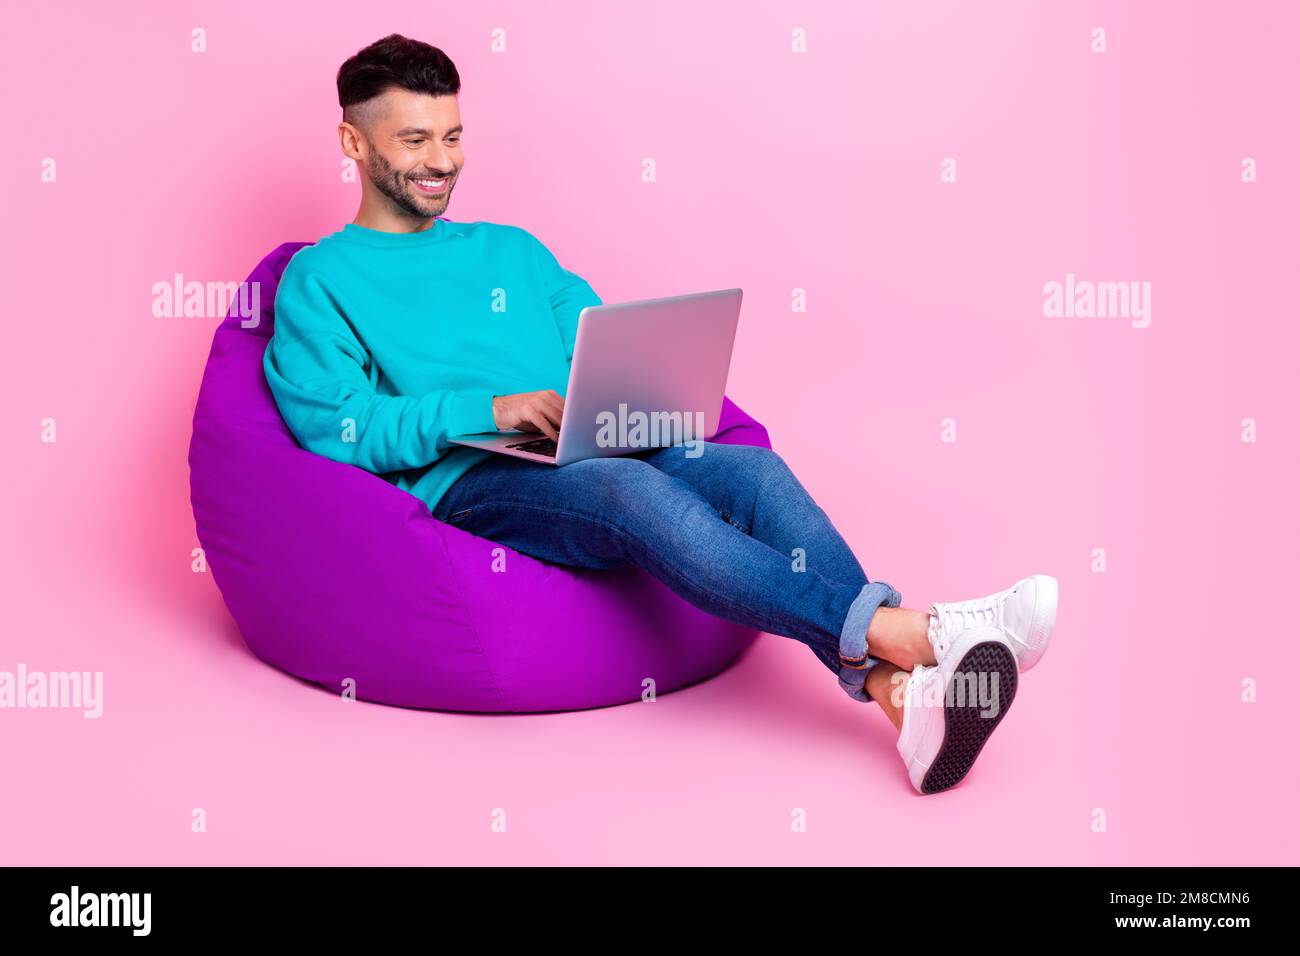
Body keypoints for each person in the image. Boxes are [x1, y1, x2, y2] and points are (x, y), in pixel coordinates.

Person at [263, 34, 1060, 795]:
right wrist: (490, 406)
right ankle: (919, 635)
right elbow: (339, 427)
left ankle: (903, 699)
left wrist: (631, 389)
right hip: (476, 476)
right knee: (631, 494)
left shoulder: (511, 249)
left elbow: (595, 336)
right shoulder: (321, 278)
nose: (442, 161)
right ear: (353, 144)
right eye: (414, 140)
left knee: (753, 472)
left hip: (582, 438)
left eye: (453, 135)